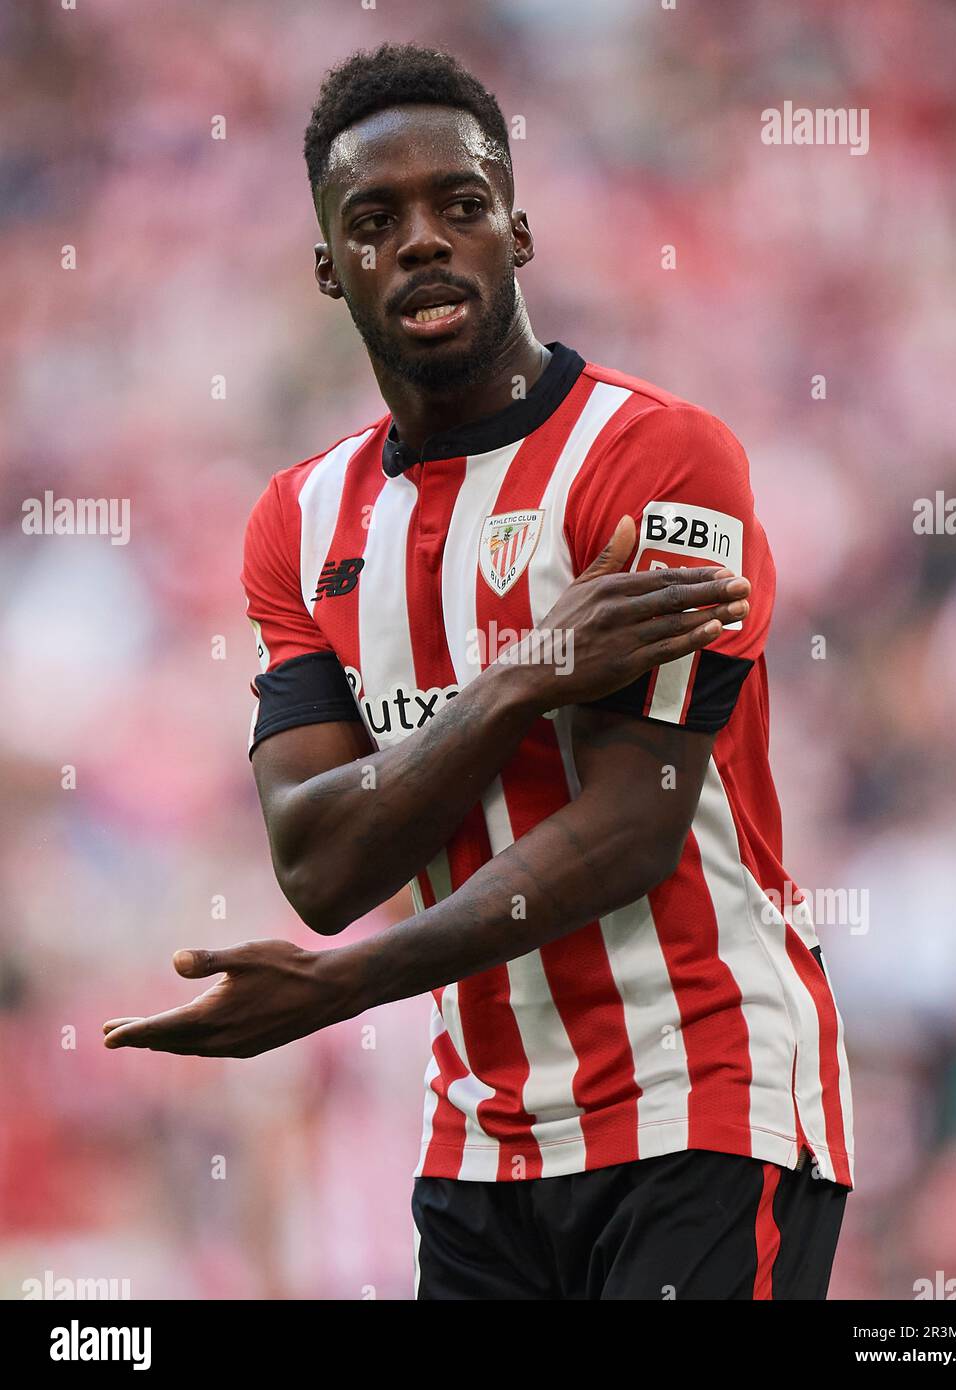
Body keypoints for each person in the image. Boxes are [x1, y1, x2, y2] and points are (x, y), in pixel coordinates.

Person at [105, 42, 853, 1301]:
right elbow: (323, 866)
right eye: (373, 219)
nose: (420, 241)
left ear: (516, 228)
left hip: (702, 1103)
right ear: (327, 267)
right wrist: (525, 678)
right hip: (478, 1146)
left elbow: (627, 831)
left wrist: (339, 991)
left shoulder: (657, 459)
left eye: (458, 205)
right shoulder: (302, 522)